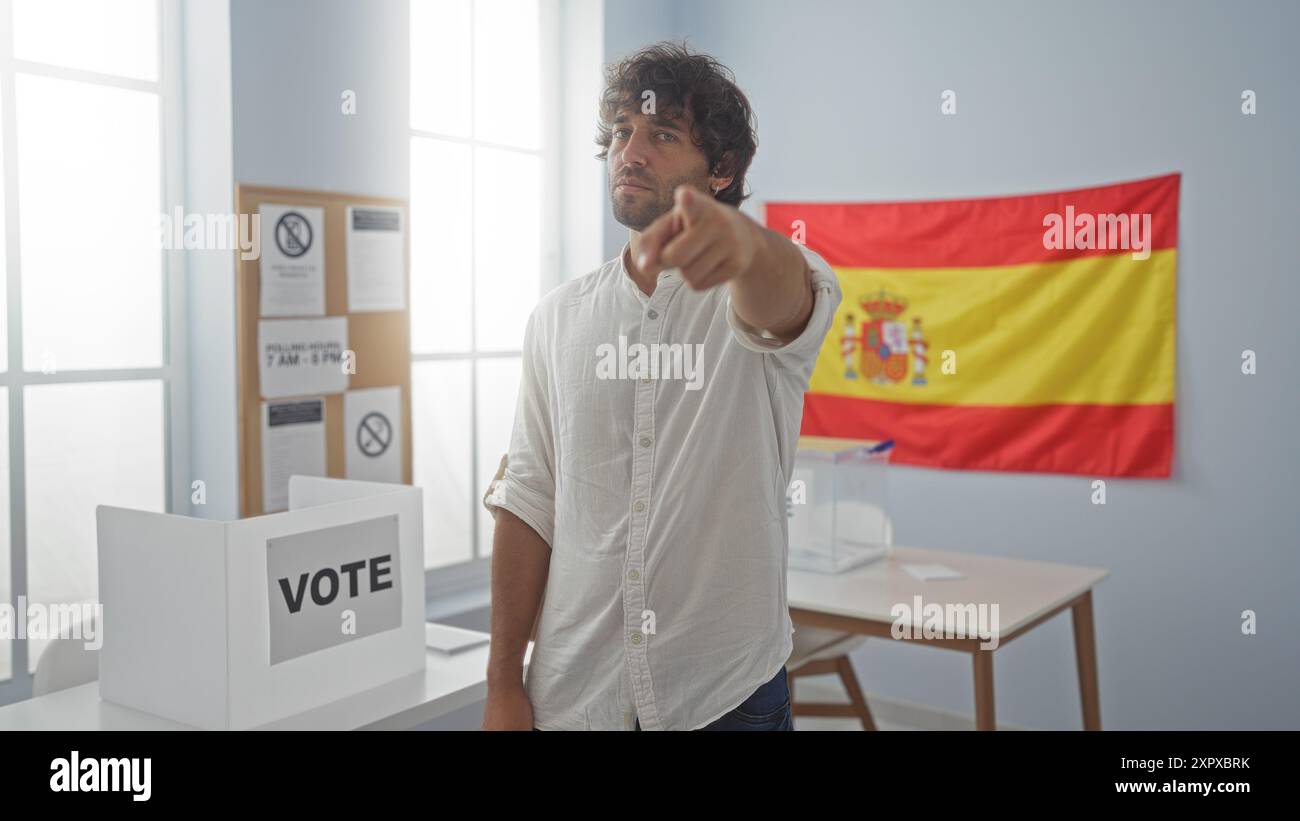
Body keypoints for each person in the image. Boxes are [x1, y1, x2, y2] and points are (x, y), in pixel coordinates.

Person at [481, 41, 842, 731]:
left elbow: (785, 296)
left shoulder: (753, 287)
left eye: (663, 134)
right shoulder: (557, 318)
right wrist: (503, 683)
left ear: (722, 171)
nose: (630, 150)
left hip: (724, 694)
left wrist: (743, 241)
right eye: (620, 132)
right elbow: (529, 497)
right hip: (575, 695)